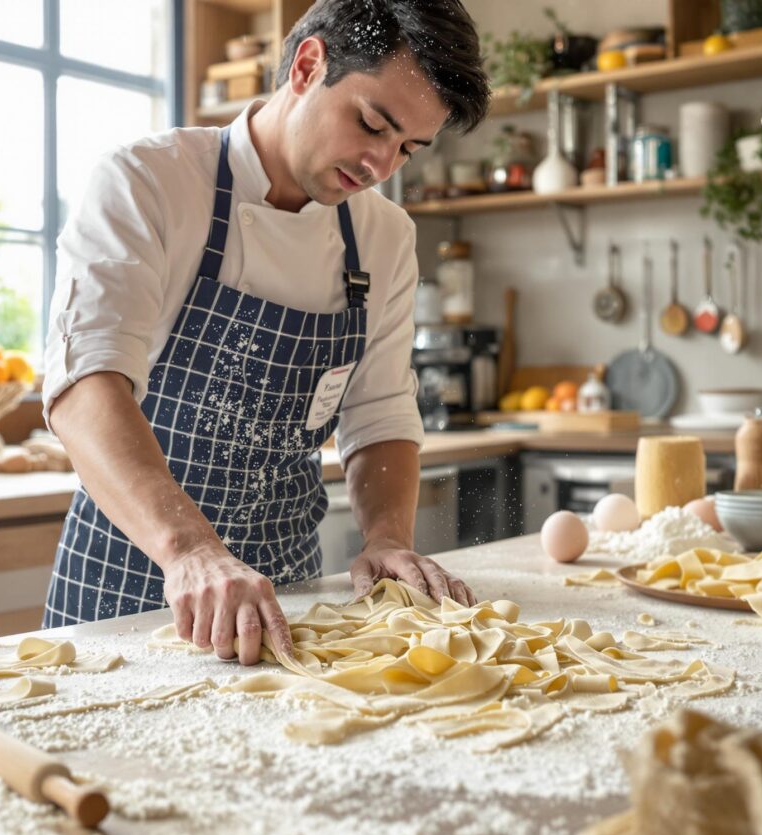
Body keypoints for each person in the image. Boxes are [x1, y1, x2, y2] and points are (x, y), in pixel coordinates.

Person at [41, 0, 490, 665]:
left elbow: (380, 414)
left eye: (407, 149)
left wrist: (388, 537)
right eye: (372, 124)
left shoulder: (385, 237)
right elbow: (86, 387)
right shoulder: (148, 181)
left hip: (289, 606)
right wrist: (191, 550)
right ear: (307, 66)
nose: (380, 165)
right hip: (125, 594)